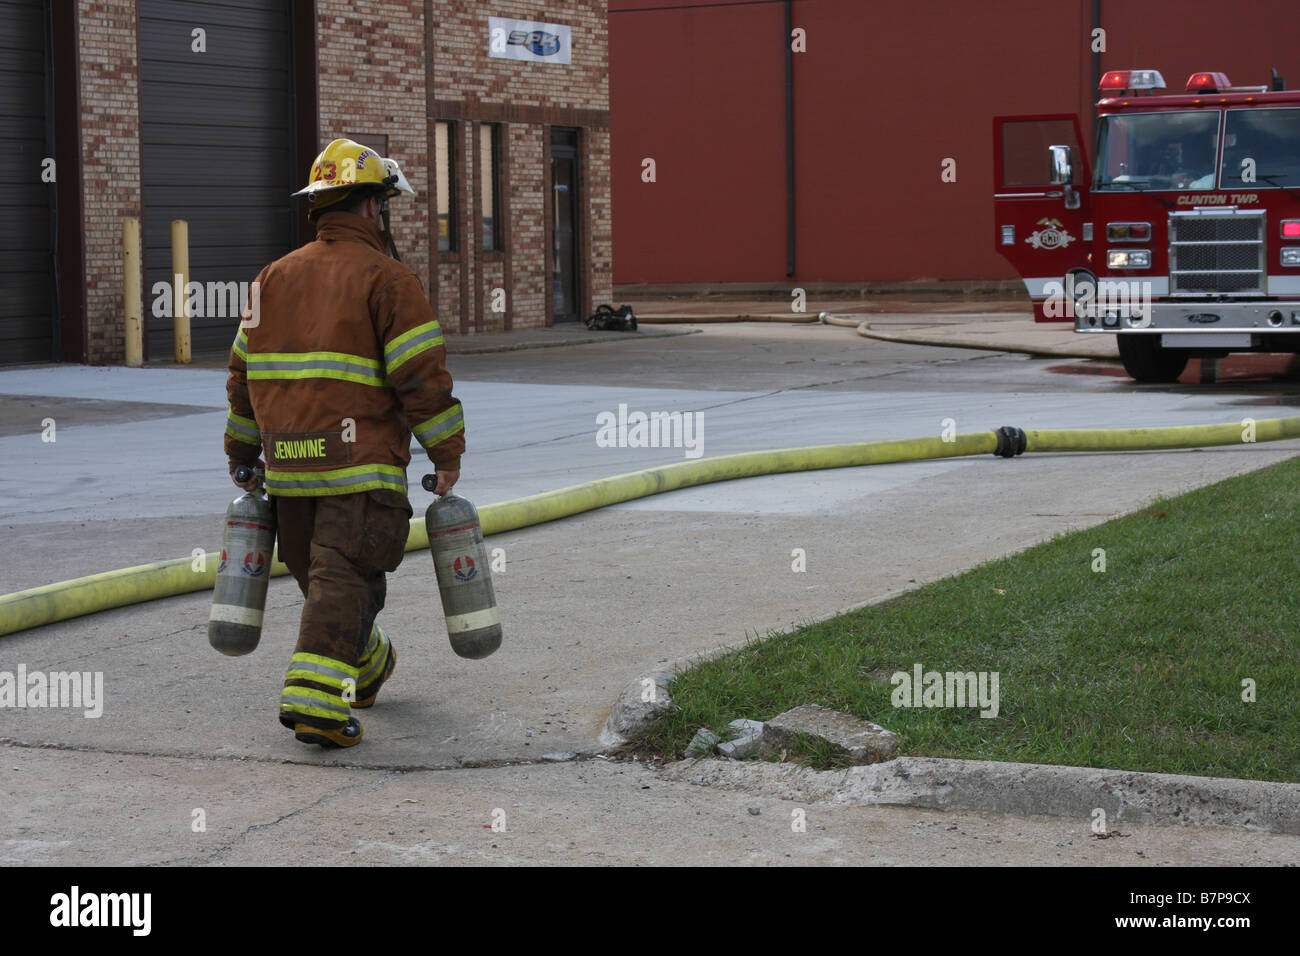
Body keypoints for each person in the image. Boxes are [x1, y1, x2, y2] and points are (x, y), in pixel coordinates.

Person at [224, 138, 465, 748]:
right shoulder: (388, 279)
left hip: (289, 471)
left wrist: (242, 454)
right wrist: (447, 454)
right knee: (344, 579)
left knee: (325, 581)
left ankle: (370, 663)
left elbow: (242, 379)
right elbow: (422, 379)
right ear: (368, 209)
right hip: (359, 471)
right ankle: (316, 707)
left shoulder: (271, 278)